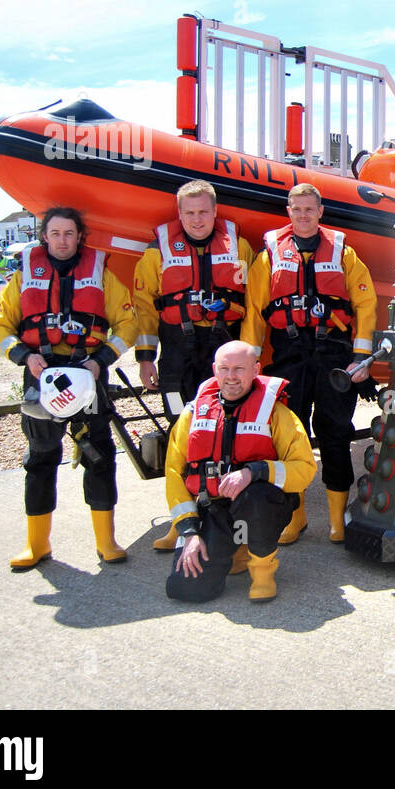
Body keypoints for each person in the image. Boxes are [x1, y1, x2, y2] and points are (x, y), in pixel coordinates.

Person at [0, 206, 137, 568]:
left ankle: (107, 542)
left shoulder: (101, 273)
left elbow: (128, 324)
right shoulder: (24, 276)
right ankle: (37, 545)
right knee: (40, 458)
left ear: (80, 237)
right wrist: (25, 356)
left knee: (98, 456)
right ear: (44, 237)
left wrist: (100, 360)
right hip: (41, 376)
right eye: (55, 234)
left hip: (88, 373)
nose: (62, 241)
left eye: (69, 234)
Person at [242, 183, 377, 546]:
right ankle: (296, 517)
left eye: (309, 209)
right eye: (296, 209)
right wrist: (250, 361)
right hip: (288, 356)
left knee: (336, 433)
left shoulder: (345, 254)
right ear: (288, 212)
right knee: (290, 437)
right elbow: (255, 311)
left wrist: (361, 357)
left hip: (333, 354)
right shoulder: (269, 256)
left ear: (320, 212)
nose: (303, 215)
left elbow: (365, 305)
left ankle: (337, 519)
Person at [134, 179, 254, 551]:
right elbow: (143, 306)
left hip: (225, 352)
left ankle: (229, 522)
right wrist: (144, 359)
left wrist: (251, 357)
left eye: (204, 212)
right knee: (180, 435)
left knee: (230, 435)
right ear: (179, 214)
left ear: (215, 212)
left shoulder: (240, 247)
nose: (197, 219)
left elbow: (253, 302)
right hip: (176, 354)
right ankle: (182, 520)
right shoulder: (156, 253)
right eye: (189, 213)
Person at [164, 341, 316, 603]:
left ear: (256, 369)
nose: (231, 377)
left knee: (257, 497)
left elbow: (304, 469)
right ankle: (232, 551)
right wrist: (189, 532)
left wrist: (255, 472)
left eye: (239, 369)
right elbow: (174, 473)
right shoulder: (193, 414)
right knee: (185, 589)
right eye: (224, 368)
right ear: (214, 369)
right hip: (211, 508)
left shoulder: (277, 413)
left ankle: (262, 572)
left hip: (257, 504)